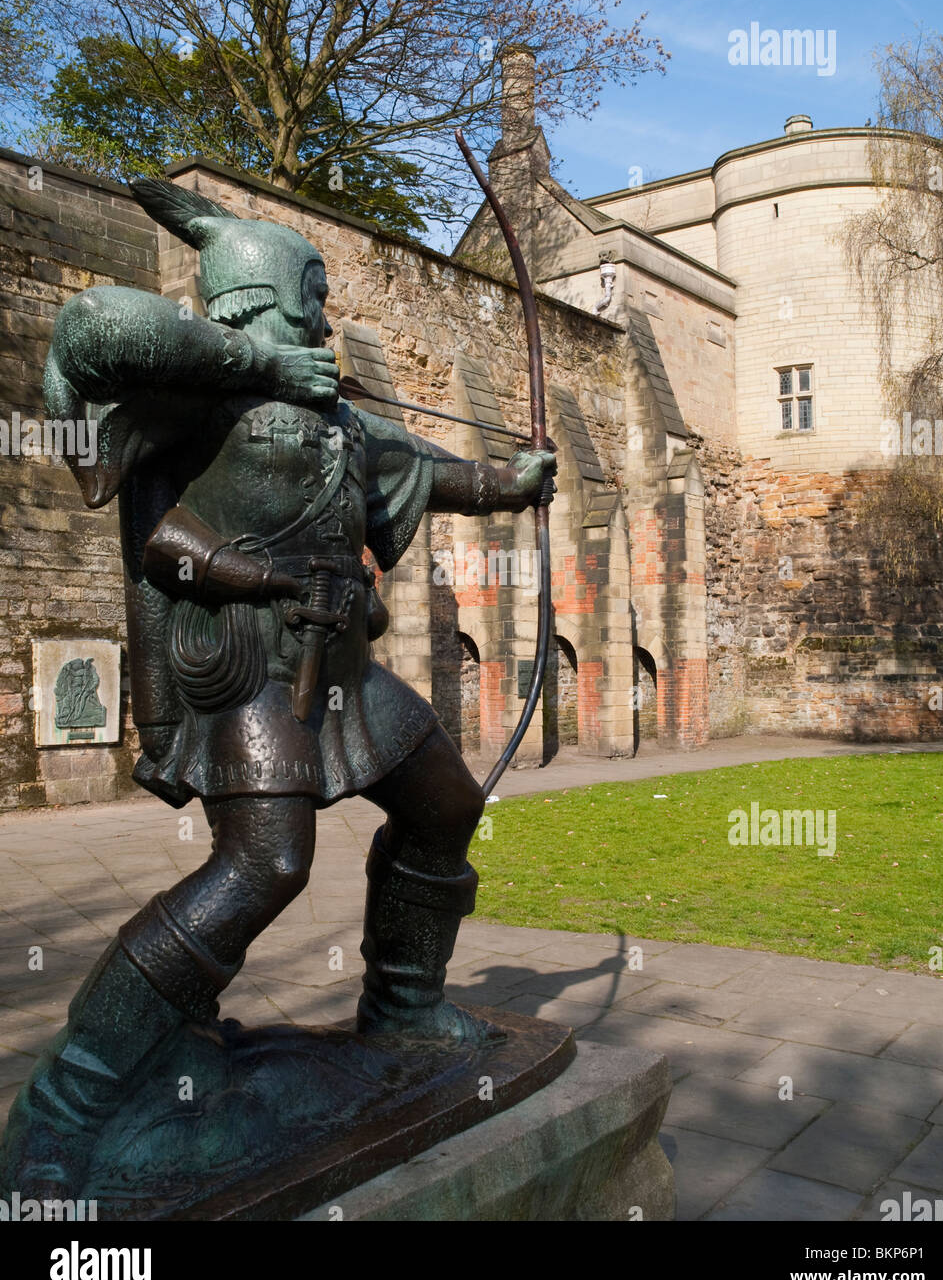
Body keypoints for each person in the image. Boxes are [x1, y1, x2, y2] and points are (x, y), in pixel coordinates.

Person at [1, 179, 556, 1201]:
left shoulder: (339, 420)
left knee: (443, 805)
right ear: (272, 297)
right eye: (314, 293)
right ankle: (73, 1097)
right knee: (266, 866)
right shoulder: (202, 393)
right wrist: (257, 362)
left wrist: (514, 482)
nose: (326, 316)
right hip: (249, 666)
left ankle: (403, 1004)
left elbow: (432, 470)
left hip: (340, 663)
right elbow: (88, 332)